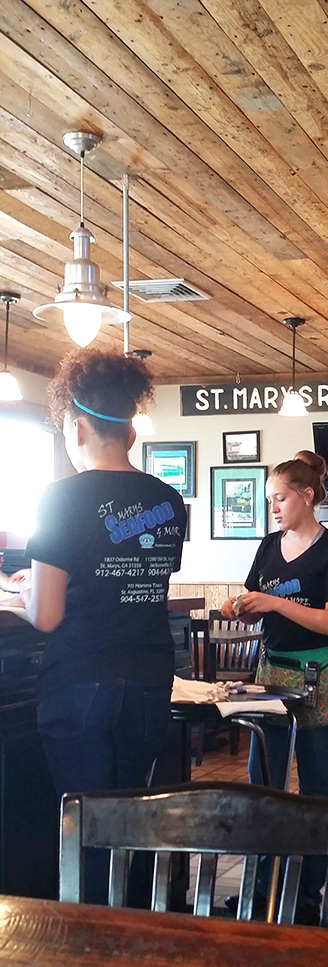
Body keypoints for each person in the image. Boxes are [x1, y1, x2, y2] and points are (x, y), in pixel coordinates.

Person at [10, 346, 186, 902]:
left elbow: (48, 614)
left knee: (81, 829)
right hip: (150, 682)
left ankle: (86, 950)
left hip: (80, 681)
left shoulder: (60, 498)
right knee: (128, 822)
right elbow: (134, 582)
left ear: (78, 427)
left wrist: (19, 596)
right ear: (130, 433)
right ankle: (133, 933)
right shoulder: (168, 498)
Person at [221, 449, 328, 924]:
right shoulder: (267, 545)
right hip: (272, 671)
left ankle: (311, 894)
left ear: (307, 495)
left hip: (321, 672)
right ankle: (259, 890)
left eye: (280, 498)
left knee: (315, 783)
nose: (273, 508)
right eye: (268, 500)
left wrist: (275, 603)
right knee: (265, 782)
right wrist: (242, 606)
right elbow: (257, 599)